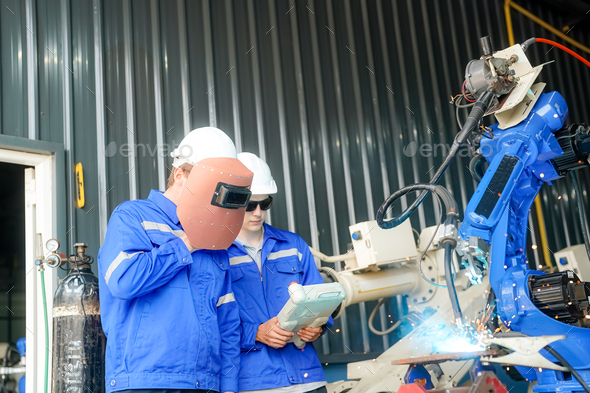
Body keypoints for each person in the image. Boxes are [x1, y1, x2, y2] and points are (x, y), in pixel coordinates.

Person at [98, 127, 243, 393]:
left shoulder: (216, 239)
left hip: (204, 384)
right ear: (180, 175)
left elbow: (228, 324)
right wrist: (187, 243)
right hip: (143, 382)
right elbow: (124, 281)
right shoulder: (132, 216)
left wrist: (229, 387)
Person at [228, 153, 331, 393]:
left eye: (264, 204)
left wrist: (317, 326)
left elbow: (320, 299)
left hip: (309, 379)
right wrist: (255, 333)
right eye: (250, 205)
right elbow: (212, 319)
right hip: (254, 383)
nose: (258, 213)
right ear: (232, 202)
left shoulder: (293, 245)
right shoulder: (217, 254)